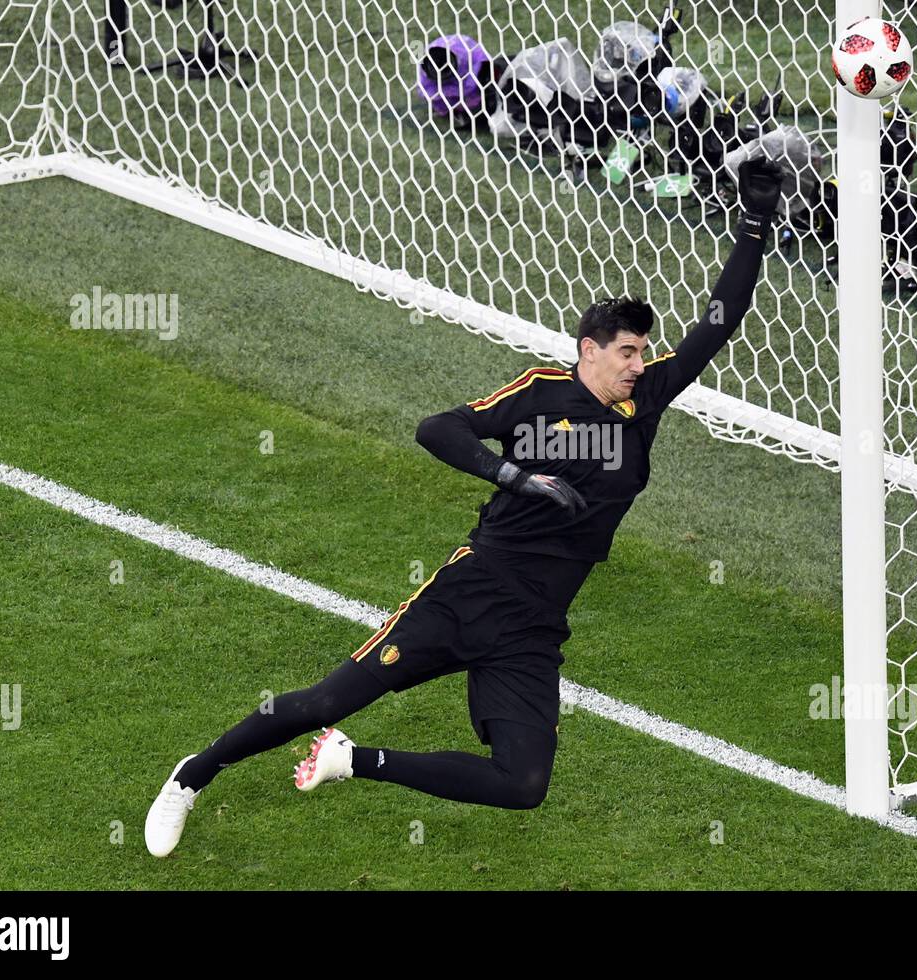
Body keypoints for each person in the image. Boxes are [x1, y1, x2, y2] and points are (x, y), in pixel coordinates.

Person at [143, 158, 785, 857]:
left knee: (523, 783)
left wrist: (753, 222)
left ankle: (352, 761)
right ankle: (192, 775)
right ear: (588, 352)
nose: (638, 364)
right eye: (626, 352)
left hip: (532, 627)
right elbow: (438, 428)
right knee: (326, 702)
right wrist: (513, 476)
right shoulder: (539, 394)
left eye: (642, 353)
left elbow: (720, 323)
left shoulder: (646, 402)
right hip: (467, 593)